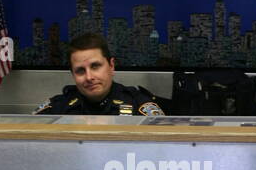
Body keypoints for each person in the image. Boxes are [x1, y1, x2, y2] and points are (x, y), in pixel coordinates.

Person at [34, 34, 165, 115]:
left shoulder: (139, 105)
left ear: (111, 65)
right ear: (73, 74)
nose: (89, 77)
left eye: (95, 66)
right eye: (80, 71)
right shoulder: (57, 108)